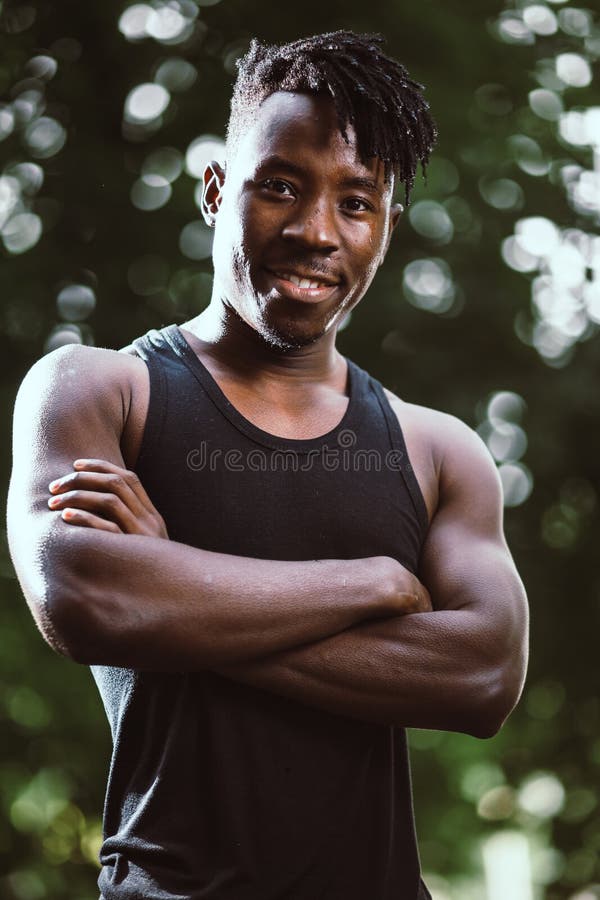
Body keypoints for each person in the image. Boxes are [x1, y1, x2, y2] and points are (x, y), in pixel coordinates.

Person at [7, 30, 528, 900]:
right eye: (281, 186)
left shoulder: (438, 450)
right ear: (216, 191)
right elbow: (86, 596)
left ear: (386, 227)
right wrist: (374, 583)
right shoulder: (101, 390)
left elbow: (482, 675)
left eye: (356, 203)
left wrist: (176, 593)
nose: (315, 230)